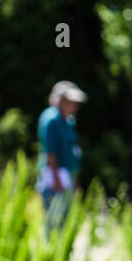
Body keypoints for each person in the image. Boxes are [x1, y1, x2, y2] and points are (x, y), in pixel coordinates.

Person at [36, 81, 87, 225]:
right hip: (54, 178)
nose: (74, 106)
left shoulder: (69, 120)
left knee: (67, 221)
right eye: (71, 101)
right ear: (60, 100)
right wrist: (57, 180)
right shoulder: (51, 119)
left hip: (67, 176)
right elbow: (50, 153)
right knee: (54, 221)